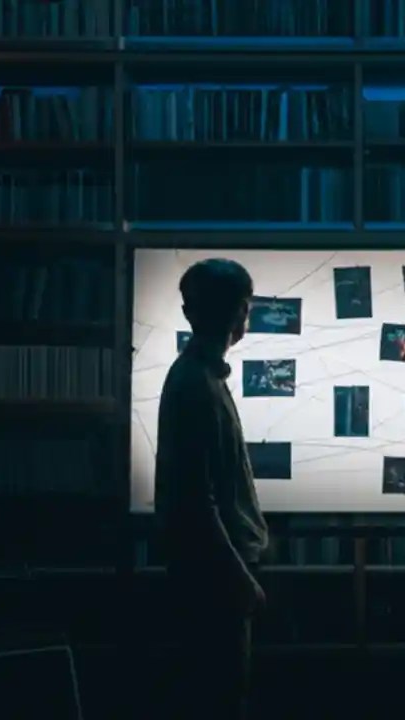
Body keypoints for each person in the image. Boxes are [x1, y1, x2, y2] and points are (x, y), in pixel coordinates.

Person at [155, 258, 269, 720]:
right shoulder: (195, 386)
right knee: (219, 698)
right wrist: (238, 580)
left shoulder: (202, 378)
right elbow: (195, 503)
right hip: (214, 580)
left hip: (212, 573)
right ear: (243, 311)